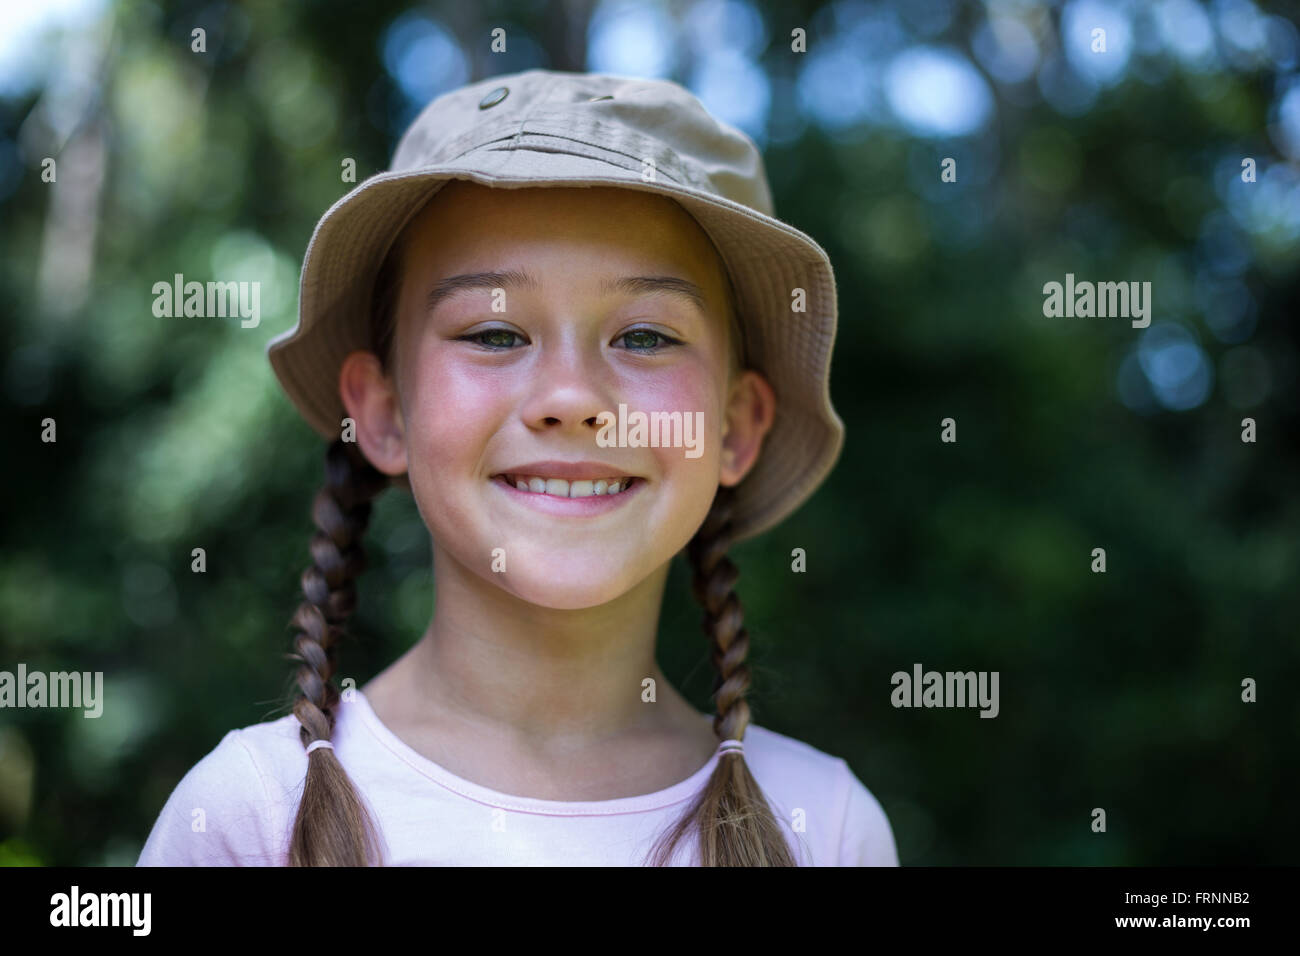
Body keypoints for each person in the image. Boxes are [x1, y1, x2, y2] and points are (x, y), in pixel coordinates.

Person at [137, 68, 898, 867]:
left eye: (645, 336)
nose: (572, 398)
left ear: (734, 429)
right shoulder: (248, 817)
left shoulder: (825, 828)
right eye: (495, 334)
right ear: (385, 413)